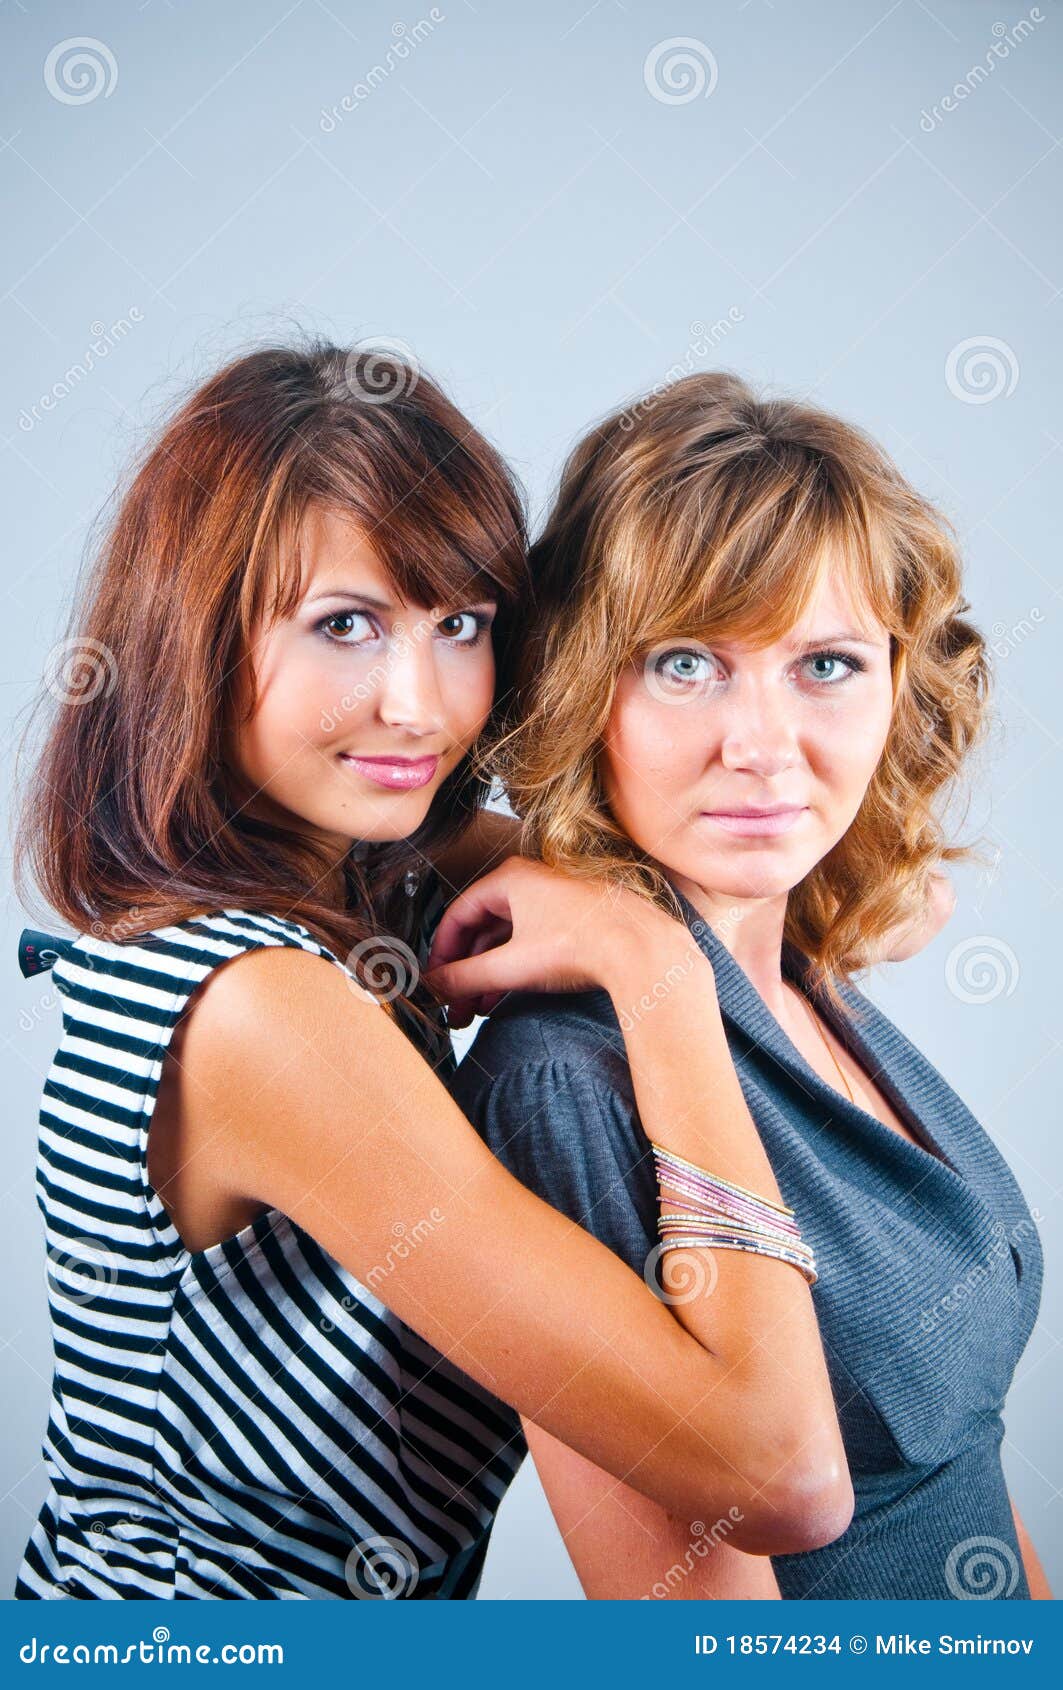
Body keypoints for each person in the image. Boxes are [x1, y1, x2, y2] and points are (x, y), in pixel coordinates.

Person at [12, 342, 859, 1600]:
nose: (417, 703)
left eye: (458, 624)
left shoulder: (347, 875)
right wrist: (655, 970)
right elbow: (780, 1473)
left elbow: (661, 867)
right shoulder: (257, 1011)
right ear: (195, 637)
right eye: (344, 625)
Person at [441, 372, 1049, 1601]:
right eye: (683, 664)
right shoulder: (567, 1080)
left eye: (824, 663)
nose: (762, 743)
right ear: (579, 688)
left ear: (897, 687)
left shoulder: (810, 975)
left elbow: (961, 1474)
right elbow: (701, 1644)